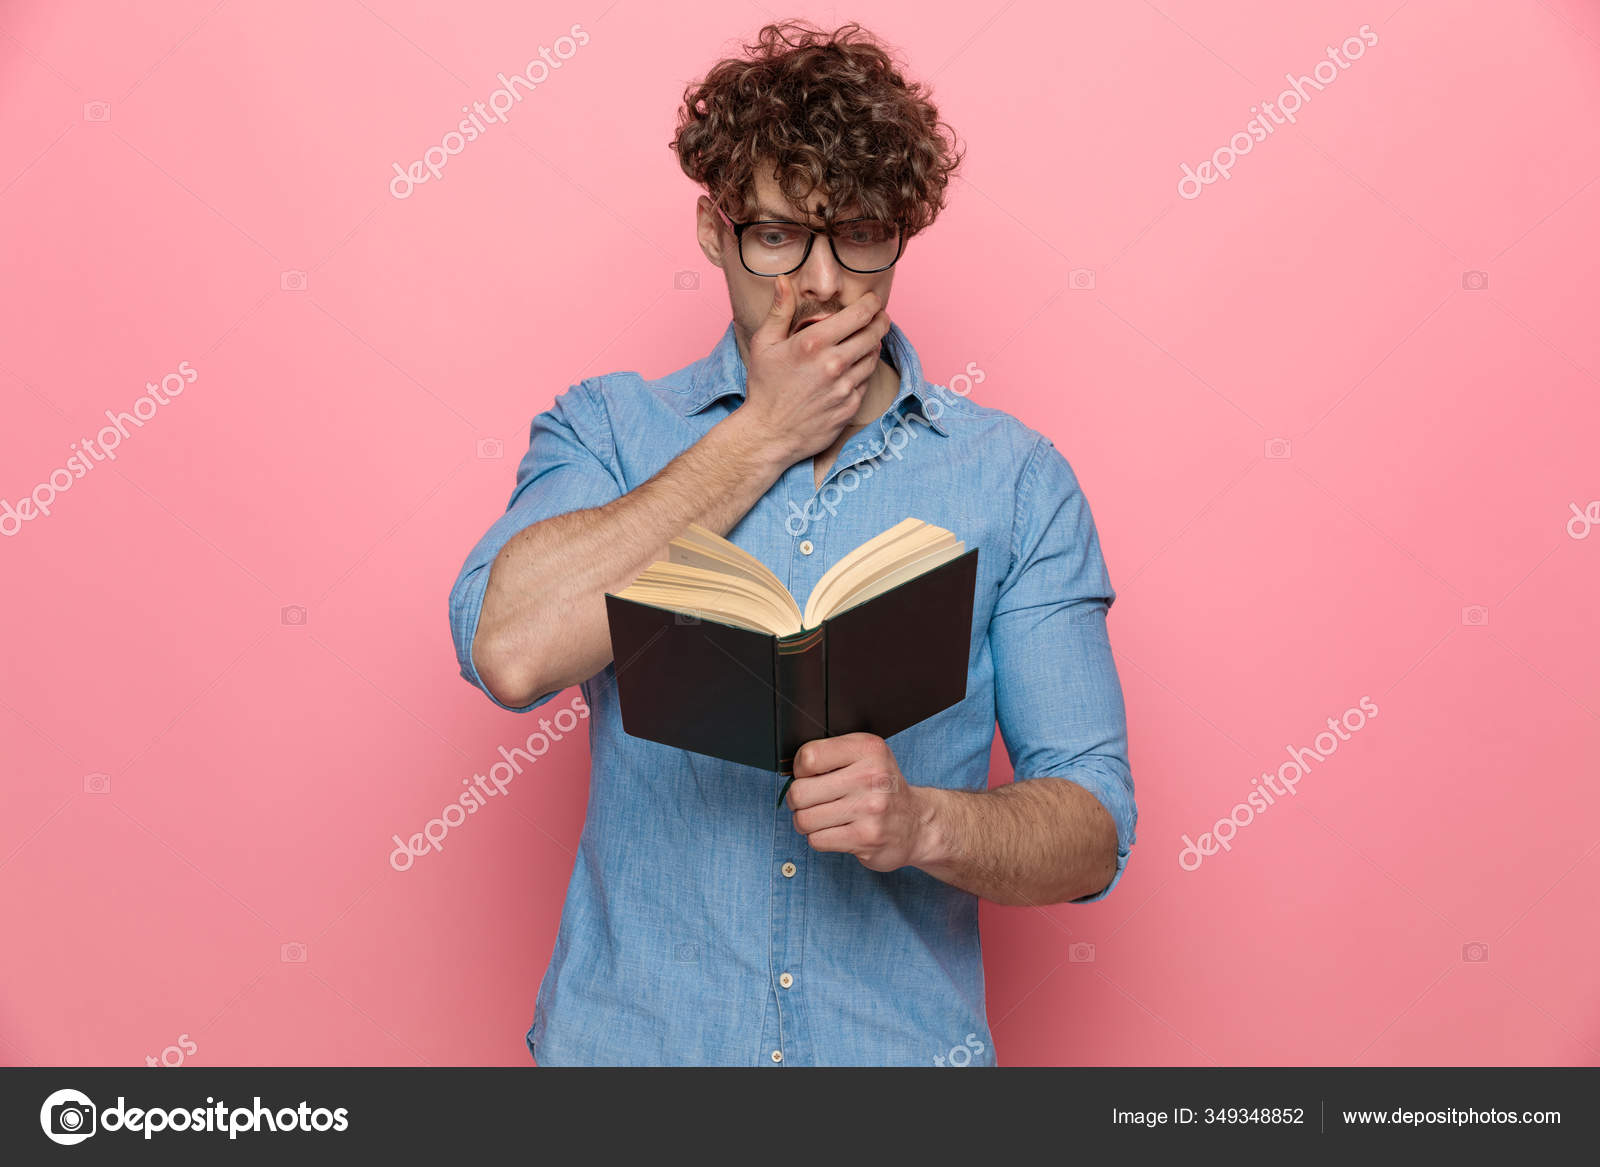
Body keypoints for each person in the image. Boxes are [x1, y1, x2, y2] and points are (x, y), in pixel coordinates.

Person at [448, 20, 1136, 1066]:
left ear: (903, 230)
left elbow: (1092, 828)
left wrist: (923, 824)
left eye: (857, 232)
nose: (818, 283)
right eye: (775, 236)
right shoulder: (608, 432)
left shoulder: (1015, 479)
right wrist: (761, 433)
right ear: (712, 229)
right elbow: (509, 651)